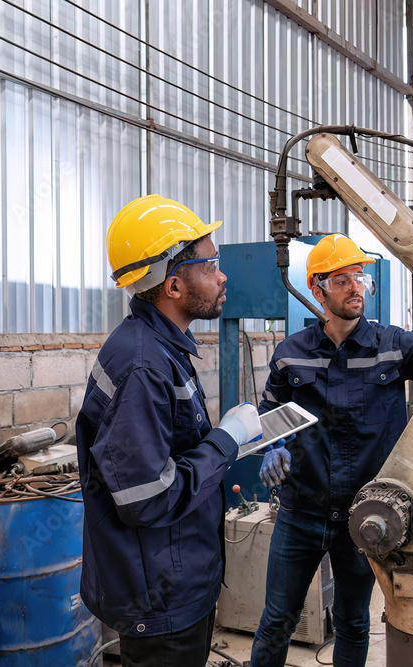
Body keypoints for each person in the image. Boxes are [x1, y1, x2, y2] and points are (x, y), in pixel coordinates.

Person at [249, 233, 413, 667]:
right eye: (341, 279)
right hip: (300, 512)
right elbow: (270, 414)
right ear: (317, 288)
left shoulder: (394, 346)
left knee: (353, 622)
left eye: (359, 277)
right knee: (275, 622)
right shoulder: (291, 354)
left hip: (362, 519)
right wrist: (270, 448)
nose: (355, 287)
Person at [76, 195, 261, 667]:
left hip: (176, 576)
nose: (222, 276)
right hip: (160, 593)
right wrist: (226, 439)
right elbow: (148, 496)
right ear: (174, 285)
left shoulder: (161, 347)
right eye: (211, 264)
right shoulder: (143, 364)